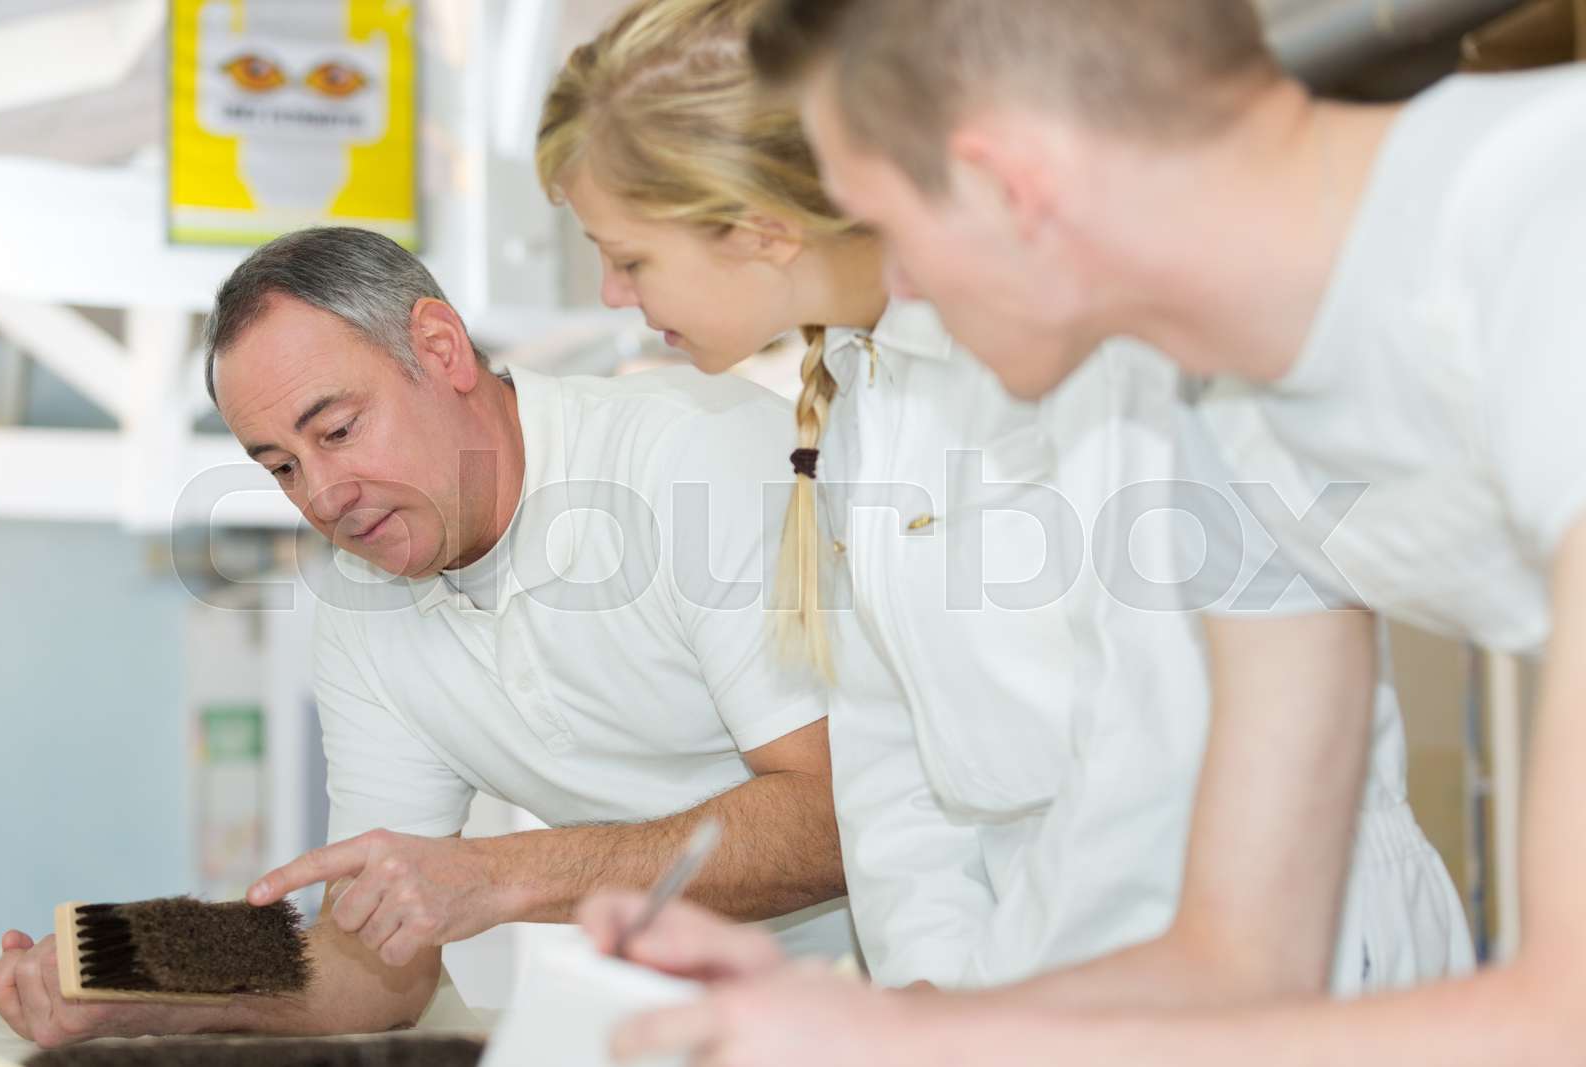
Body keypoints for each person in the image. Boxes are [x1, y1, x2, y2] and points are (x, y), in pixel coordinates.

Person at [579, 1, 1586, 1064]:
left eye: (890, 226)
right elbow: (1236, 958)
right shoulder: (1225, 393)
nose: (898, 289)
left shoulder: (1541, 233)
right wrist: (868, 1020)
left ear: (1009, 186)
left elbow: (1559, 1016)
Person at [0, 226, 854, 1049]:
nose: (322, 494)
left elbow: (837, 815)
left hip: (903, 999)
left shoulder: (686, 458)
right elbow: (372, 965)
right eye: (282, 466)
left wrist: (495, 874)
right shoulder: (361, 607)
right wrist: (135, 975)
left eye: (336, 430)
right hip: (696, 1031)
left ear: (440, 348)